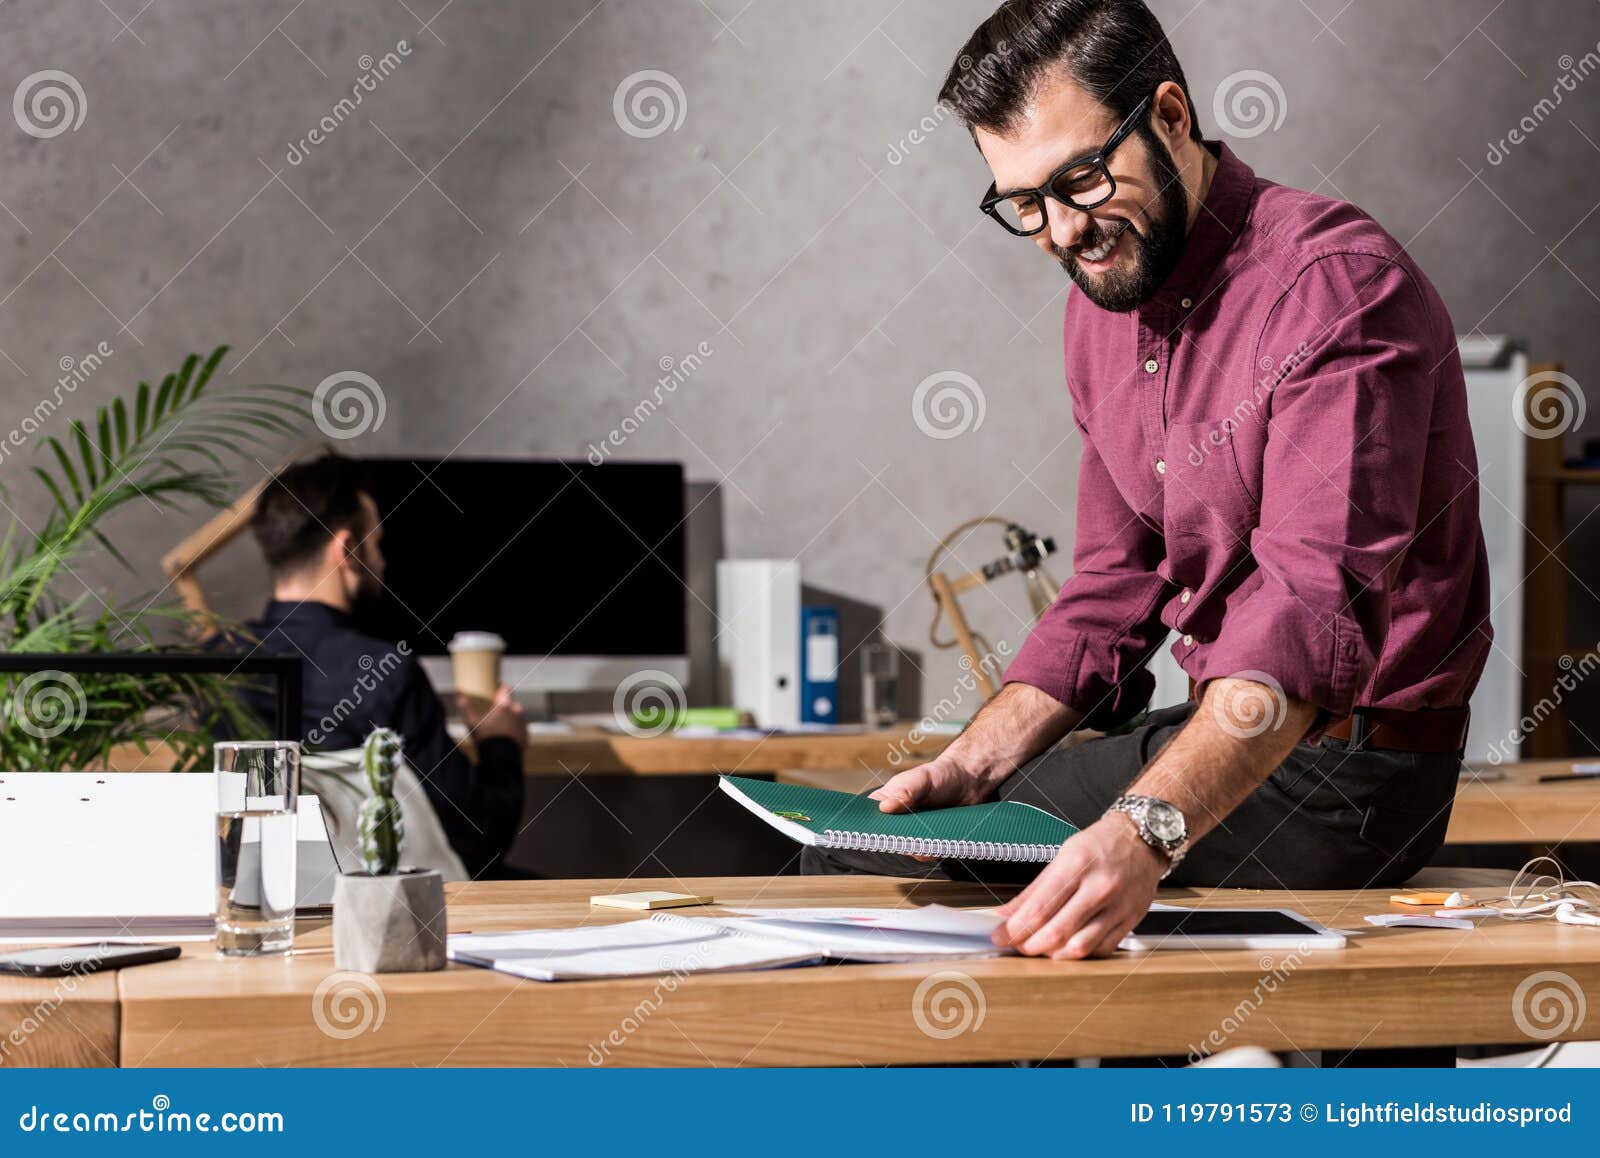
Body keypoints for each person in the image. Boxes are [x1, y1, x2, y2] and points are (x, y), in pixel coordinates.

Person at [805, 0, 1491, 960]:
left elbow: (1308, 612)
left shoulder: (1336, 289)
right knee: (895, 836)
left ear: (1170, 116)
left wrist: (1145, 833)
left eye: (1080, 180)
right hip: (1242, 742)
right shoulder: (1104, 308)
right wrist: (972, 761)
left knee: (875, 863)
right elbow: (1112, 588)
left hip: (1349, 783)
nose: (1060, 231)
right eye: (1024, 204)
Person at [231, 453, 528, 879]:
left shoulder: (221, 667)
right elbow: (480, 843)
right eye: (377, 543)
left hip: (267, 894)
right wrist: (501, 742)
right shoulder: (387, 672)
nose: (383, 561)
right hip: (401, 901)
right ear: (348, 551)